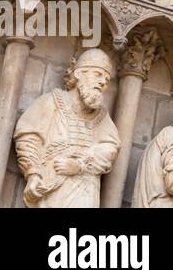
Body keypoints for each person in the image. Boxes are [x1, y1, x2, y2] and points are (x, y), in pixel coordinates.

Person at [13, 48, 120, 208]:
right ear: (78, 74)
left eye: (106, 78)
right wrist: (33, 173)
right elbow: (28, 137)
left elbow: (110, 149)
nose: (103, 82)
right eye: (97, 74)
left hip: (85, 189)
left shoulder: (102, 117)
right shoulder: (52, 101)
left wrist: (79, 165)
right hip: (52, 184)